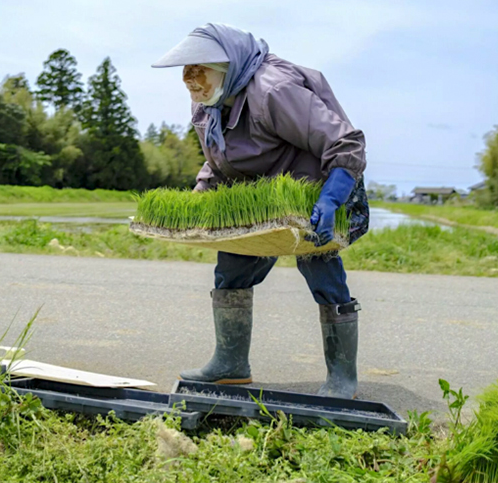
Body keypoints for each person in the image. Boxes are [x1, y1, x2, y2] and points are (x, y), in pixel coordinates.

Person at [152, 23, 369, 399]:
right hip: (258, 194)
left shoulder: (273, 90)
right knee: (232, 266)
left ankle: (342, 377)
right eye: (187, 74)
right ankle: (231, 364)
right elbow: (219, 160)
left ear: (228, 66)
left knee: (320, 268)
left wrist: (331, 199)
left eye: (201, 71)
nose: (192, 82)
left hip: (314, 188)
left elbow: (345, 142)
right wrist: (198, 200)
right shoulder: (206, 103)